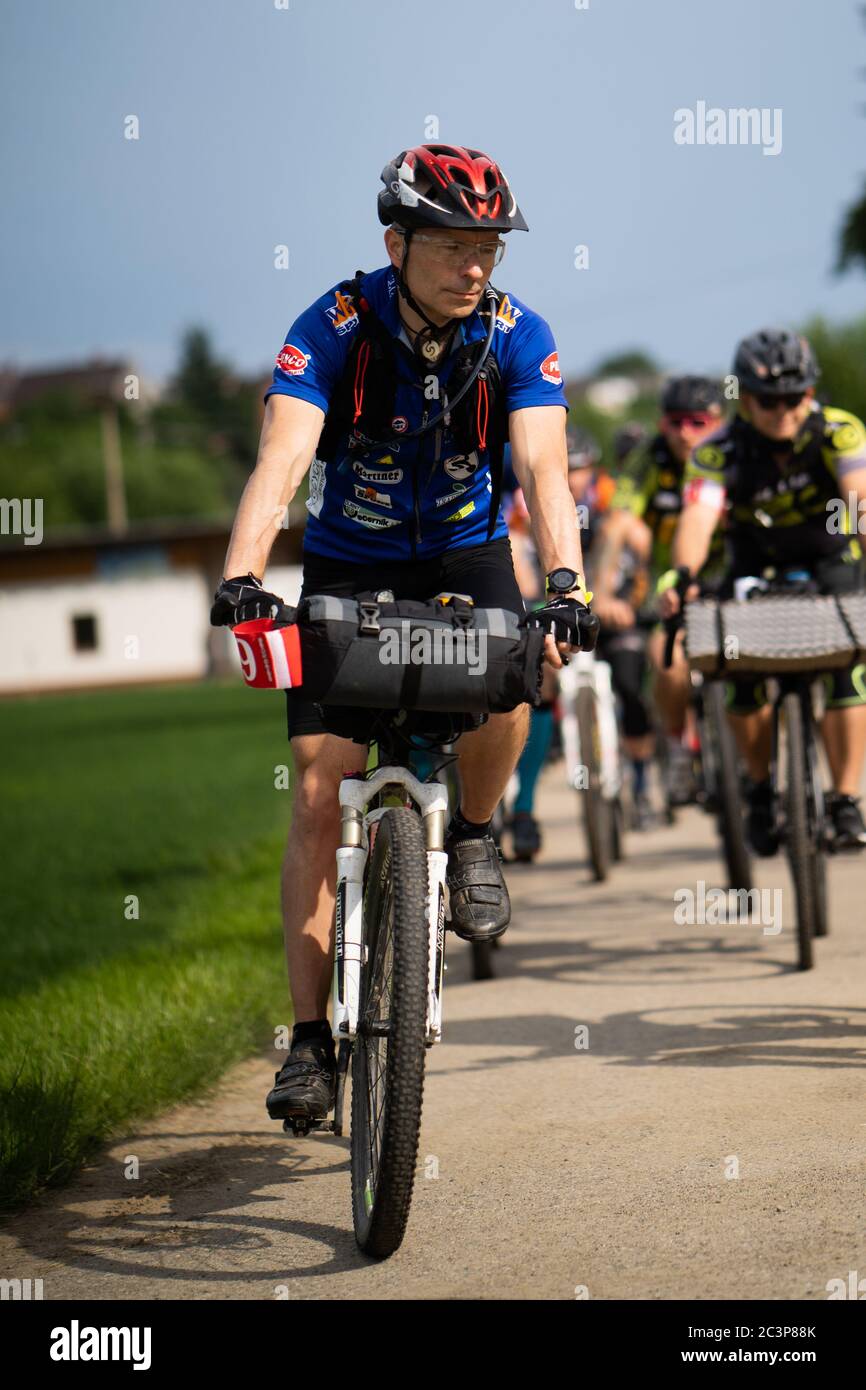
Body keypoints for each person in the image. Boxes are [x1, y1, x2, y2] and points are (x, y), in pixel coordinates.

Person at [210, 144, 598, 1124]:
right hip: (350, 562)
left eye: (488, 248)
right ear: (396, 242)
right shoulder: (334, 326)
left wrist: (563, 582)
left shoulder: (517, 334)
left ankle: (470, 835)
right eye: (453, 247)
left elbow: (543, 471)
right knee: (315, 787)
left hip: (467, 556)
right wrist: (243, 576)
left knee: (513, 674)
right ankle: (306, 1045)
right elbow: (282, 458)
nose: (475, 266)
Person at [660, 328, 866, 853]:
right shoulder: (717, 450)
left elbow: (859, 498)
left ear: (811, 394)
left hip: (830, 557)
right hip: (754, 563)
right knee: (741, 669)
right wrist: (683, 575)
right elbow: (699, 518)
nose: (783, 411)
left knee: (848, 667)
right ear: (745, 399)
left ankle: (845, 799)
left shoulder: (840, 431)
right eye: (769, 400)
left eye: (794, 398)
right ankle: (758, 787)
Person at [593, 377, 726, 809]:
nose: (686, 431)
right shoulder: (650, 459)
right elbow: (615, 526)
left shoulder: (735, 451)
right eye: (676, 422)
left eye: (698, 421)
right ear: (662, 424)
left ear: (717, 422)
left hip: (734, 571)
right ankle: (678, 747)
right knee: (667, 663)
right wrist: (599, 593)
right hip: (673, 580)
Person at [504, 428, 604, 859]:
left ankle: (524, 808)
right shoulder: (520, 501)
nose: (575, 476)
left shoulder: (606, 499)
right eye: (571, 467)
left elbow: (627, 538)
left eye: (581, 468)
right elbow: (515, 545)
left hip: (589, 601)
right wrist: (530, 601)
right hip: (534, 599)